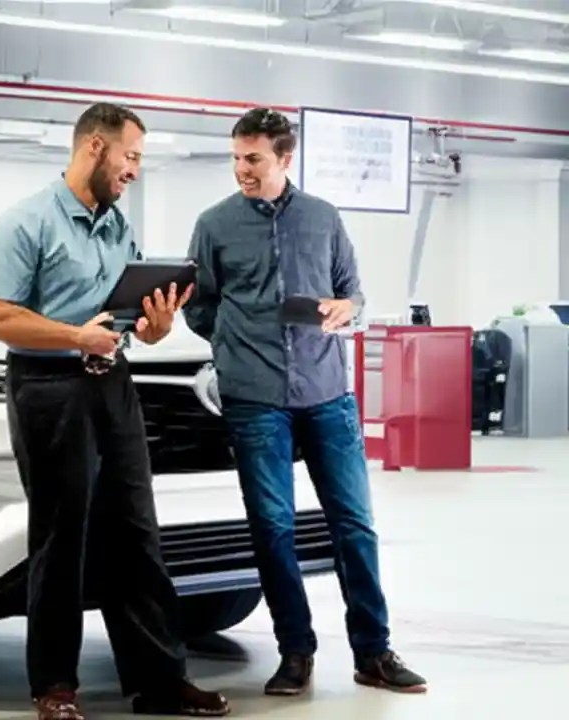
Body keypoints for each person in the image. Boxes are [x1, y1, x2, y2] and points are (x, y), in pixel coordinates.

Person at [0, 101, 230, 720]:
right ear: (95, 146)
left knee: (137, 533)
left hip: (113, 382)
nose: (135, 171)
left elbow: (129, 325)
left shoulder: (120, 228)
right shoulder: (26, 222)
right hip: (48, 388)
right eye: (131, 156)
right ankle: (55, 688)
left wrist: (156, 325)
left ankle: (158, 681)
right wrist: (73, 336)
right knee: (62, 537)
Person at [182, 107, 427, 697]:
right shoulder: (214, 225)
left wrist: (350, 309)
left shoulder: (323, 218)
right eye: (237, 157)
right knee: (273, 528)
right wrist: (238, 343)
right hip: (255, 399)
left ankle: (374, 651)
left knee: (355, 526)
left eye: (254, 158)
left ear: (284, 158)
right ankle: (296, 652)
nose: (242, 169)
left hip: (327, 395)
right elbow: (199, 305)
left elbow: (352, 290)